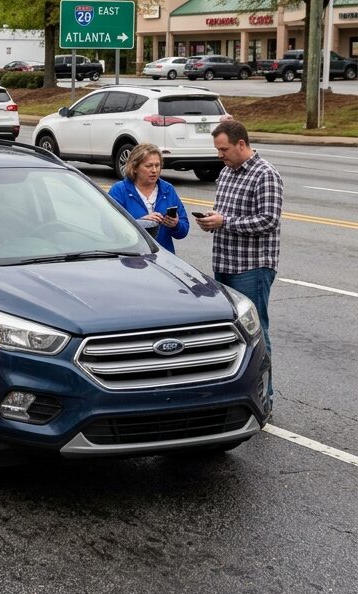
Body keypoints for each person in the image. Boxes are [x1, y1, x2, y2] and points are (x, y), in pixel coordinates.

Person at [195, 119, 283, 399]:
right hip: (224, 263)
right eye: (218, 150)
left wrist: (224, 222)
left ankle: (263, 395)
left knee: (255, 332)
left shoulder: (264, 174)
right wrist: (212, 221)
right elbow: (226, 215)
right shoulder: (226, 173)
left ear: (241, 144)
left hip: (251, 267)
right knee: (231, 334)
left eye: (224, 149)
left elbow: (268, 220)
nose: (219, 155)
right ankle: (235, 393)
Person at [107, 143, 189, 253]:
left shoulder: (168, 189)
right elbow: (109, 230)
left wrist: (175, 225)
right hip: (131, 257)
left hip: (163, 258)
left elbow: (183, 231)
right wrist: (141, 223)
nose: (154, 170)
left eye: (157, 165)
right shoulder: (119, 191)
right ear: (135, 168)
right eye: (148, 166)